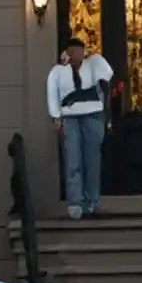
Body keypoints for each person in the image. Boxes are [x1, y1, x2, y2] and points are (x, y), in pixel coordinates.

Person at [47, 37, 113, 219]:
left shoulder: (93, 64)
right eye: (71, 51)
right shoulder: (59, 72)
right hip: (70, 117)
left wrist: (106, 110)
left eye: (78, 50)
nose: (75, 54)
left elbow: (106, 79)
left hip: (93, 114)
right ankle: (76, 202)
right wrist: (56, 116)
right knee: (73, 158)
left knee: (92, 160)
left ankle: (93, 201)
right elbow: (53, 92)